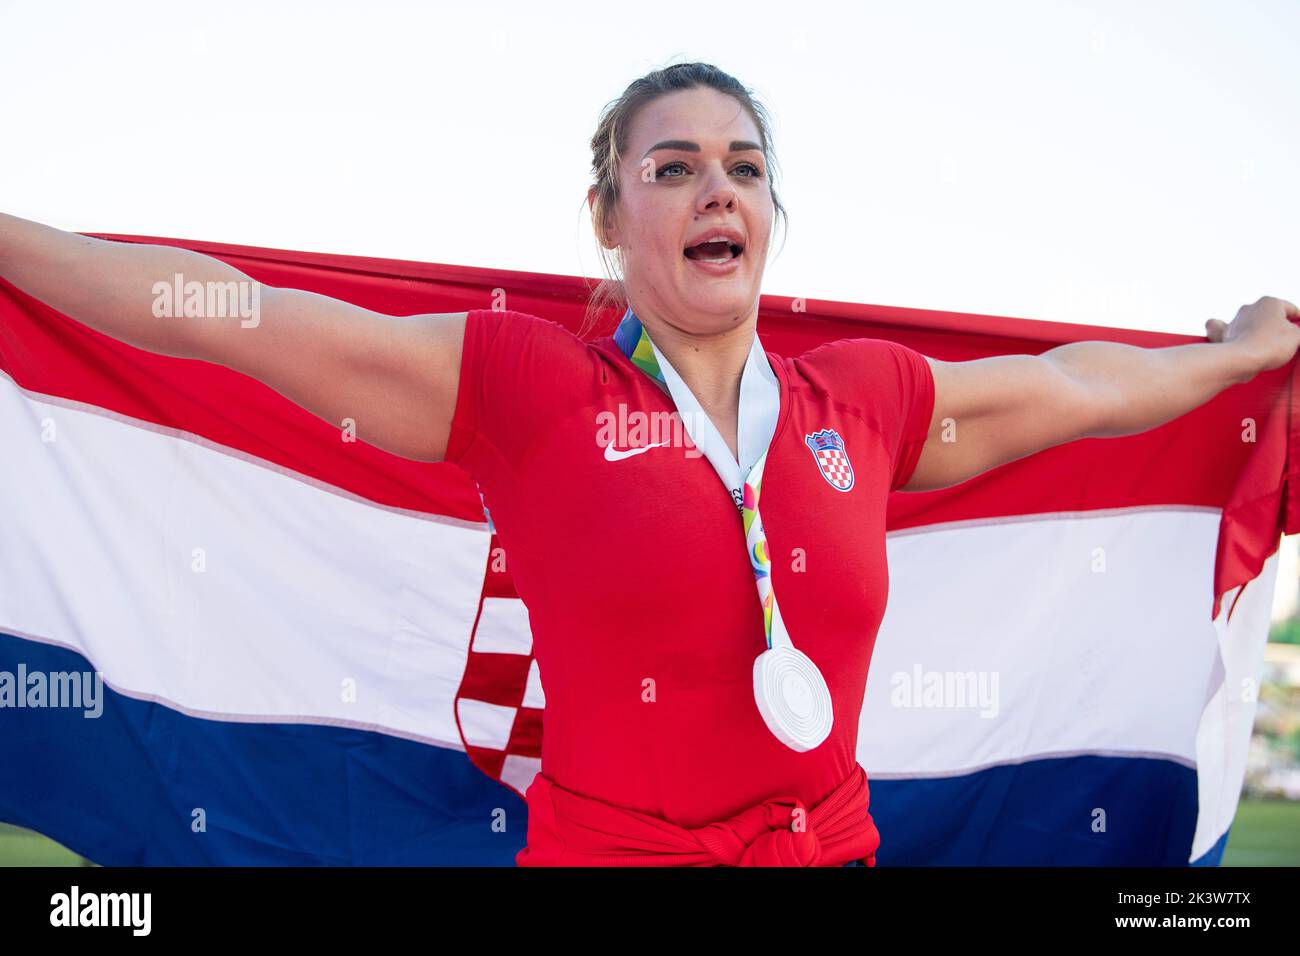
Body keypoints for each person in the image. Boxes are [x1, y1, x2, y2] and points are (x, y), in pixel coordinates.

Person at [1, 62, 1296, 867]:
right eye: (671, 168)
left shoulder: (869, 396)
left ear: (773, 213)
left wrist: (1237, 358)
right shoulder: (527, 387)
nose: (715, 191)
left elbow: (1077, 385)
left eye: (744, 168)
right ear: (610, 218)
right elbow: (222, 309)